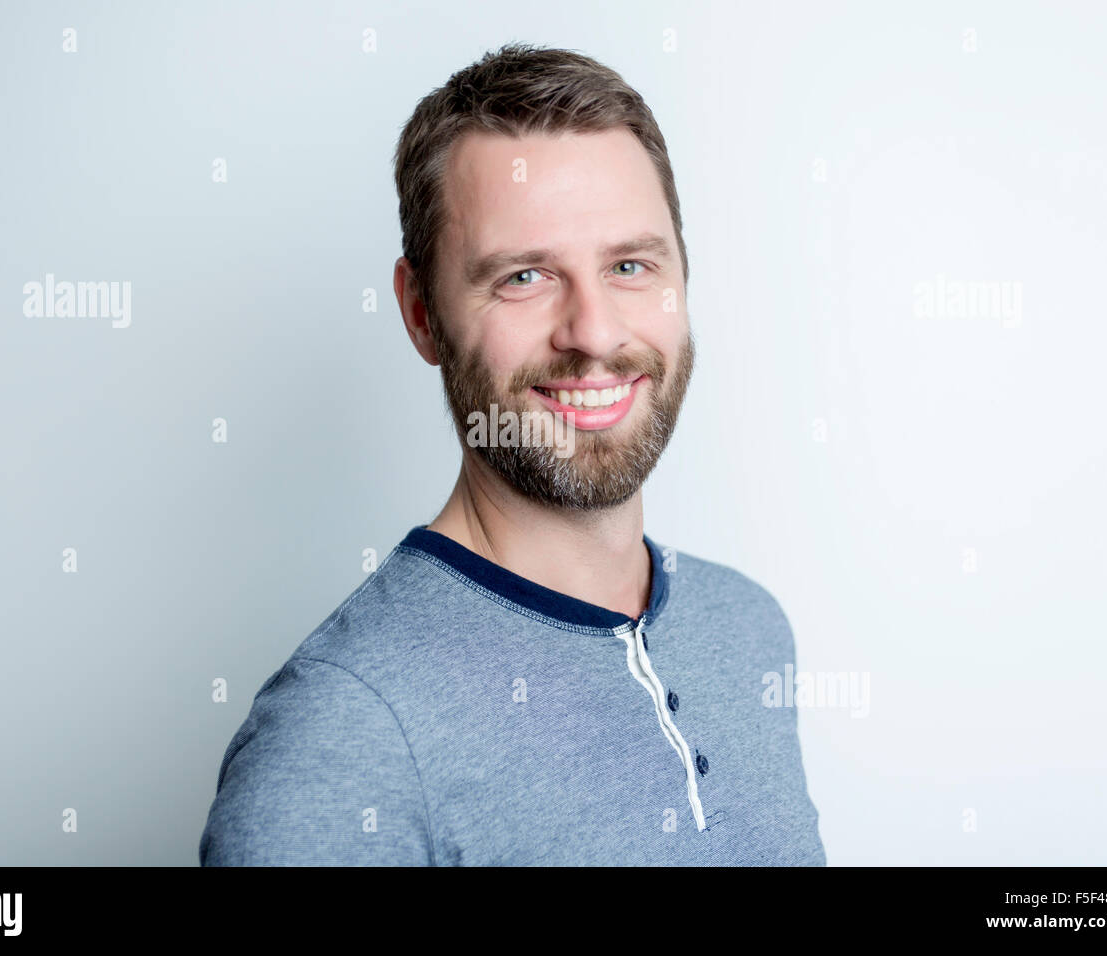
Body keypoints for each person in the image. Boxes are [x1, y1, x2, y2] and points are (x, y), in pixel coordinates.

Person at [199, 42, 825, 866]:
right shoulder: (342, 737)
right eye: (525, 278)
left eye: (631, 265)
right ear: (422, 314)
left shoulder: (747, 629)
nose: (595, 333)